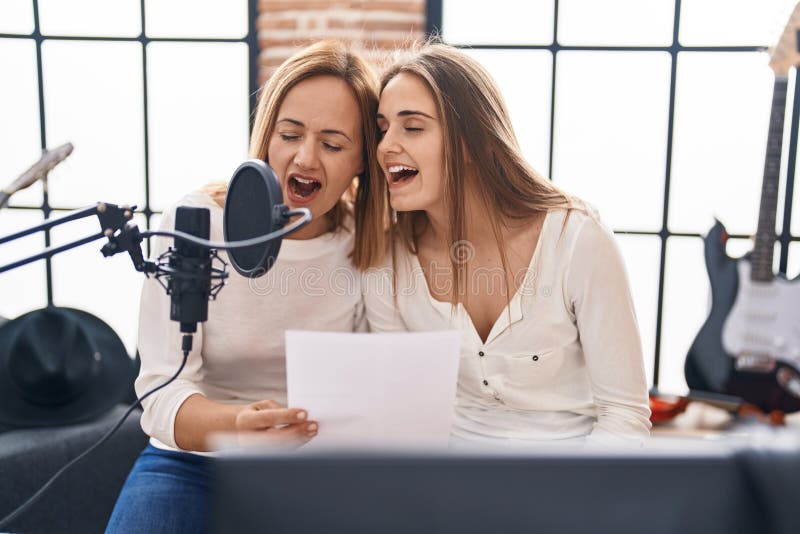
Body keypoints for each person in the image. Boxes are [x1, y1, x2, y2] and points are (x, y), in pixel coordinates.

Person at [106, 40, 387, 533]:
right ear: (267, 135)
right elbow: (161, 391)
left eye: (332, 144)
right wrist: (237, 426)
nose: (305, 157)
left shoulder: (367, 244)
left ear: (362, 159)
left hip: (315, 467)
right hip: (192, 460)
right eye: (290, 134)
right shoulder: (196, 222)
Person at [365, 42, 651, 448]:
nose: (385, 146)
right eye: (383, 129)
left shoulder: (577, 239)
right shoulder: (387, 262)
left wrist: (574, 490)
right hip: (450, 478)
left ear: (473, 142)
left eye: (412, 127)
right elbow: (403, 414)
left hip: (575, 474)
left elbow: (624, 416)